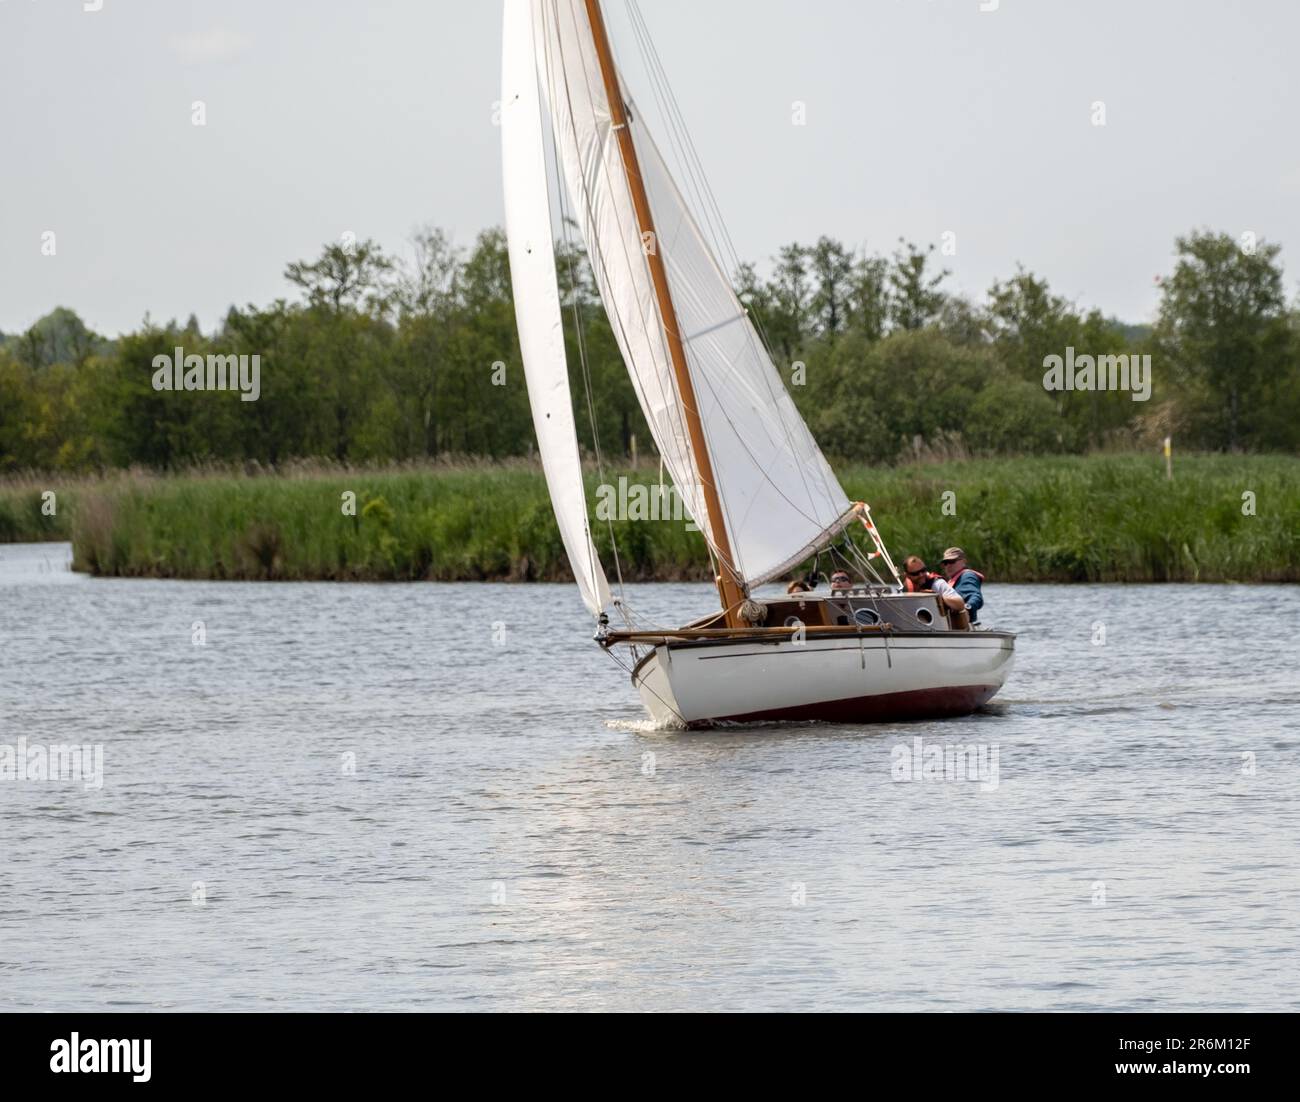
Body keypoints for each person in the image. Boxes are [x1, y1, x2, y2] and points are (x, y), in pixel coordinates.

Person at [939, 547, 985, 623]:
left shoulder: (967, 576)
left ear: (964, 561)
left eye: (952, 561)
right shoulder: (952, 580)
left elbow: (976, 597)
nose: (948, 566)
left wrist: (968, 608)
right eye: (945, 563)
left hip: (963, 626)